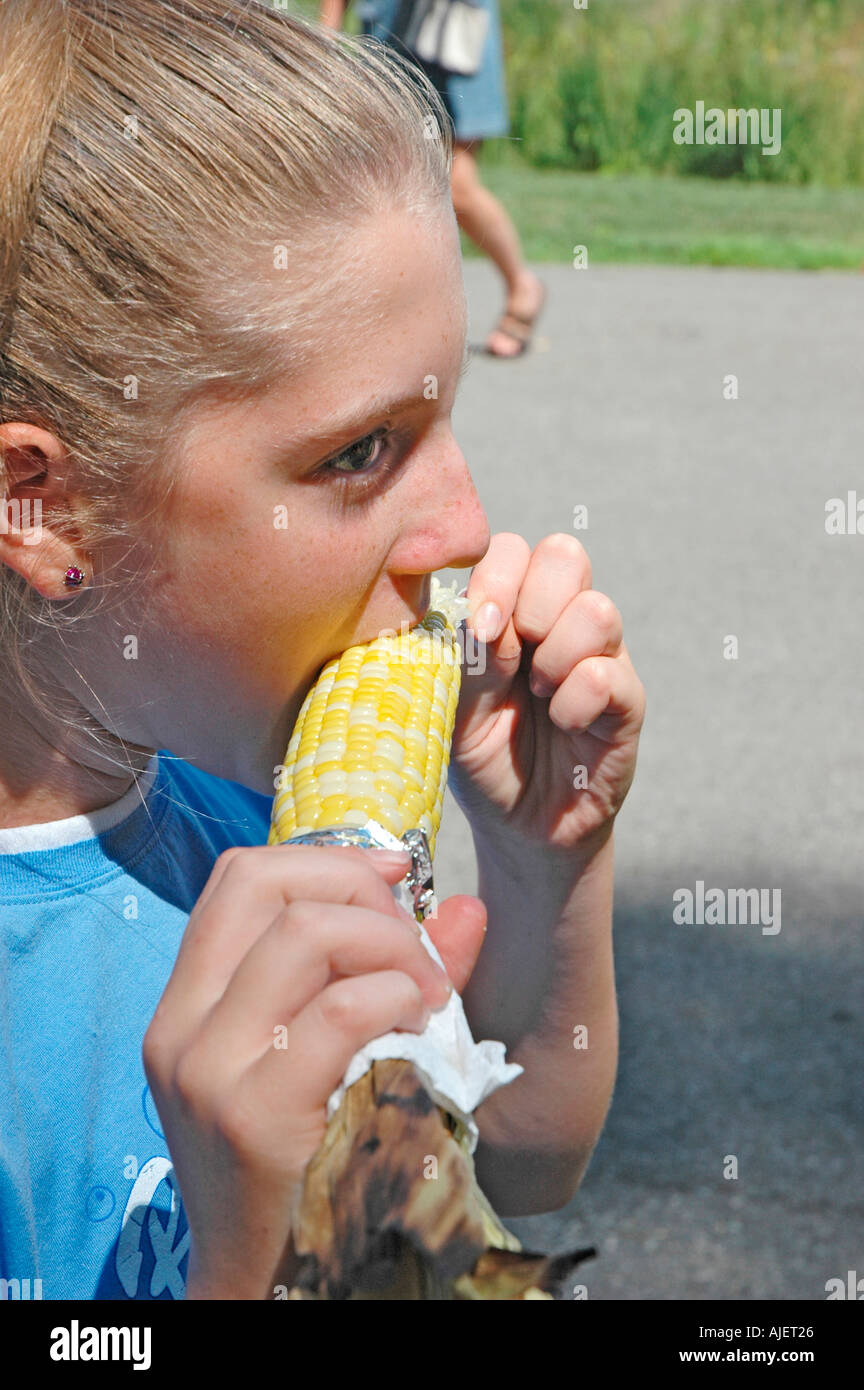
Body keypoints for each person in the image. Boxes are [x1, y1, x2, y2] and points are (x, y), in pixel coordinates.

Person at [0, 0, 644, 1300]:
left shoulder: (258, 808)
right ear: (43, 506)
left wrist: (543, 869)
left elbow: (515, 1165)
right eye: (360, 452)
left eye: (447, 414)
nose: (463, 525)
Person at [320, 0, 546, 358]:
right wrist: (328, 29)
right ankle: (393, 315)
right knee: (382, 182)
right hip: (389, 27)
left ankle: (521, 285)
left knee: (458, 188)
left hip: (453, 27)